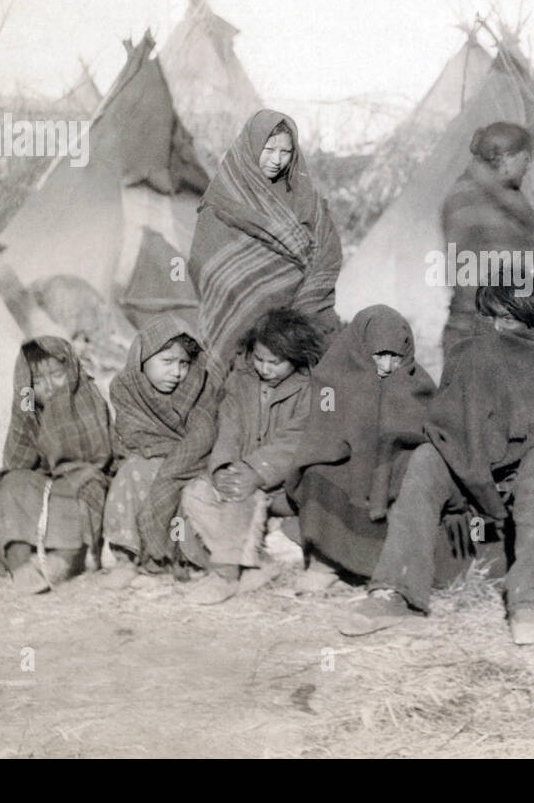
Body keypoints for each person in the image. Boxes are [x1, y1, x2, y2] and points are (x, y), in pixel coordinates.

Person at [339, 279, 534, 645]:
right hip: (472, 469)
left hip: (527, 477)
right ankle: (398, 592)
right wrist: (475, 467)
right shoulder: (466, 354)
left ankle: (526, 598)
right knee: (426, 459)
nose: (495, 329)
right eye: (488, 317)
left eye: (507, 319)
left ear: (530, 321)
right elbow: (448, 428)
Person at [287, 305, 440, 593]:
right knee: (318, 473)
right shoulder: (333, 378)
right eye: (379, 355)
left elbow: (425, 434)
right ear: (359, 347)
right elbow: (323, 433)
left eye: (395, 356)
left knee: (407, 483)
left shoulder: (416, 383)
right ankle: (326, 562)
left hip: (392, 465)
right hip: (344, 458)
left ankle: (382, 569)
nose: (386, 366)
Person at [189, 109, 342, 386]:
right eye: (269, 149)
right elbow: (207, 267)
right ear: (251, 148)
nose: (277, 160)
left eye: (286, 151)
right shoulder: (222, 202)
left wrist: (298, 314)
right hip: (238, 324)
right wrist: (254, 295)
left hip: (307, 312)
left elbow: (327, 255)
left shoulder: (308, 200)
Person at [179, 308, 320, 603]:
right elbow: (229, 428)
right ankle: (256, 563)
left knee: (242, 495)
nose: (265, 369)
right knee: (196, 492)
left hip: (281, 483)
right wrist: (223, 467)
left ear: (295, 357)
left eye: (275, 363)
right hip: (240, 471)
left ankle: (225, 575)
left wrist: (256, 470)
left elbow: (296, 439)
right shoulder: (240, 382)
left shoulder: (309, 390)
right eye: (259, 360)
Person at [0, 338, 113, 593]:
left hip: (83, 477)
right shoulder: (29, 407)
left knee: (86, 490)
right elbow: (17, 462)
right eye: (38, 381)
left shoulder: (86, 397)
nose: (49, 386)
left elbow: (100, 456)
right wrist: (24, 415)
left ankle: (63, 561)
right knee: (13, 483)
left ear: (71, 370)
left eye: (56, 375)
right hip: (46, 482)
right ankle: (19, 564)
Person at [104, 316, 217, 585]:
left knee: (181, 486)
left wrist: (171, 464)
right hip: (146, 459)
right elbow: (132, 436)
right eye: (167, 362)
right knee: (131, 474)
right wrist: (159, 456)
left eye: (183, 363)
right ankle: (127, 558)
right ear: (142, 359)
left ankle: (176, 559)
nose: (176, 372)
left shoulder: (200, 388)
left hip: (192, 462)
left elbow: (203, 437)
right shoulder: (126, 388)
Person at [439, 121, 534, 358]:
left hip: (512, 331)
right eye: (526, 158)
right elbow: (468, 276)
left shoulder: (506, 196)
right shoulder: (467, 200)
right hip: (481, 337)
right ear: (507, 158)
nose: (528, 166)